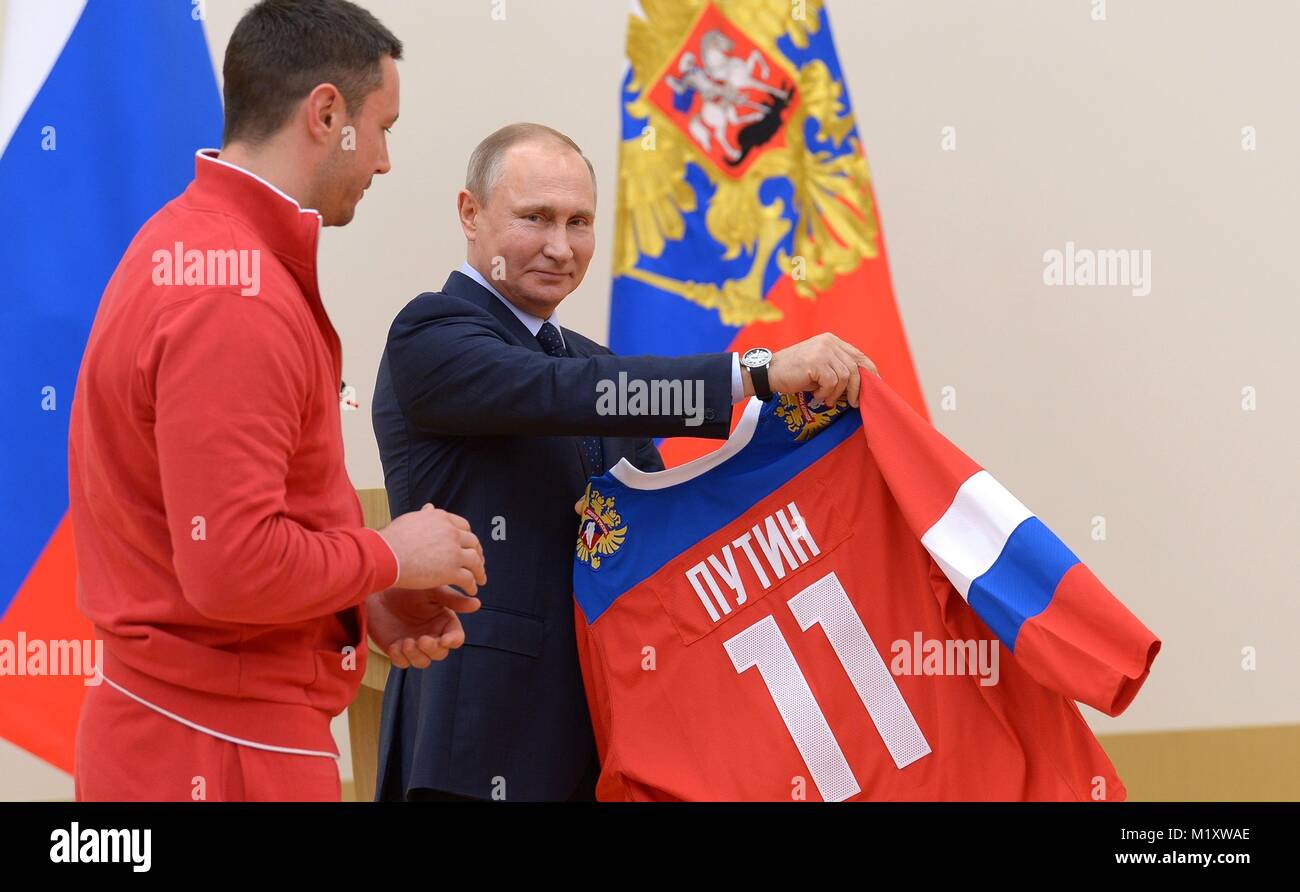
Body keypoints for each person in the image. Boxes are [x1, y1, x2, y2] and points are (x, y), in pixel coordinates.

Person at [372, 122, 878, 801]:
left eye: (579, 222)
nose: (560, 246)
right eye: (535, 218)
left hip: (607, 734)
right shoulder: (431, 332)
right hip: (476, 735)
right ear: (470, 213)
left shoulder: (595, 361)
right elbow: (562, 393)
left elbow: (665, 518)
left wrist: (809, 451)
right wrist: (757, 372)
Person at [69, 0, 484, 802]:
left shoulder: (188, 244)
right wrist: (390, 555)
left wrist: (357, 599)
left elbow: (227, 540)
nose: (385, 162)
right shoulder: (235, 293)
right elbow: (230, 567)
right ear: (326, 114)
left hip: (186, 735)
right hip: (222, 752)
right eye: (383, 128)